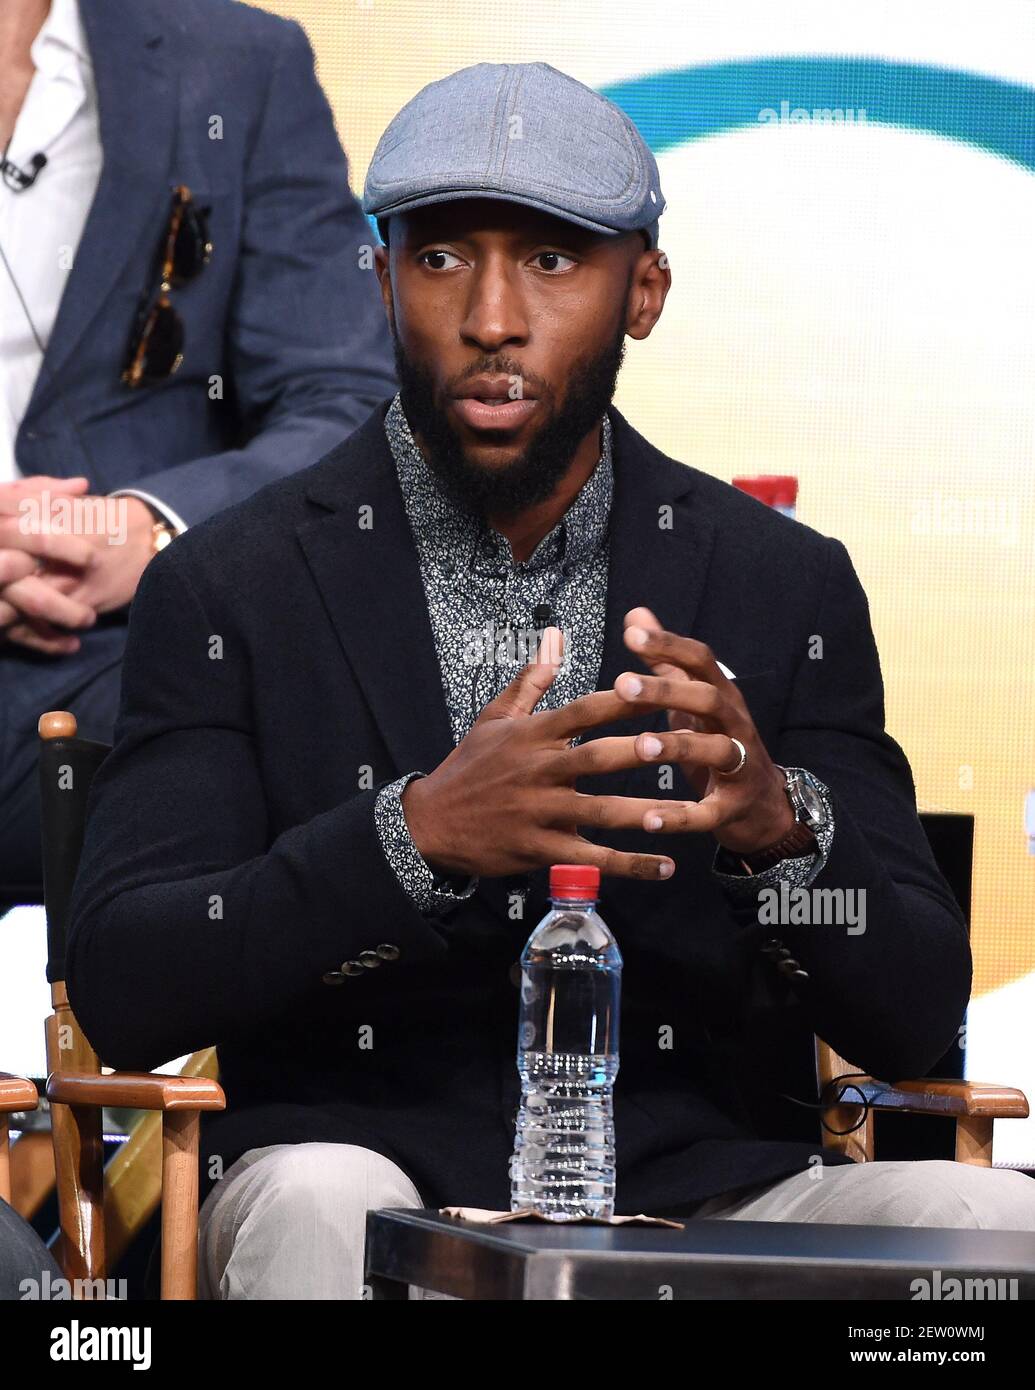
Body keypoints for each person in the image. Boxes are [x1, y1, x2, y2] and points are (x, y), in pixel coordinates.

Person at [65, 62, 1035, 1301]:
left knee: (991, 1217)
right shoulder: (227, 588)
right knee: (319, 1197)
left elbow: (914, 1016)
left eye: (554, 262)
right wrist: (410, 839)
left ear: (647, 291)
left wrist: (781, 833)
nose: (492, 319)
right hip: (363, 1174)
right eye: (441, 258)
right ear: (379, 283)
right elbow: (130, 982)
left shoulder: (781, 586)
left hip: (706, 1194)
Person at [0, 0, 395, 895]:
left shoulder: (239, 62)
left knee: (347, 769)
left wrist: (152, 533)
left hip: (116, 664)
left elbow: (344, 397)